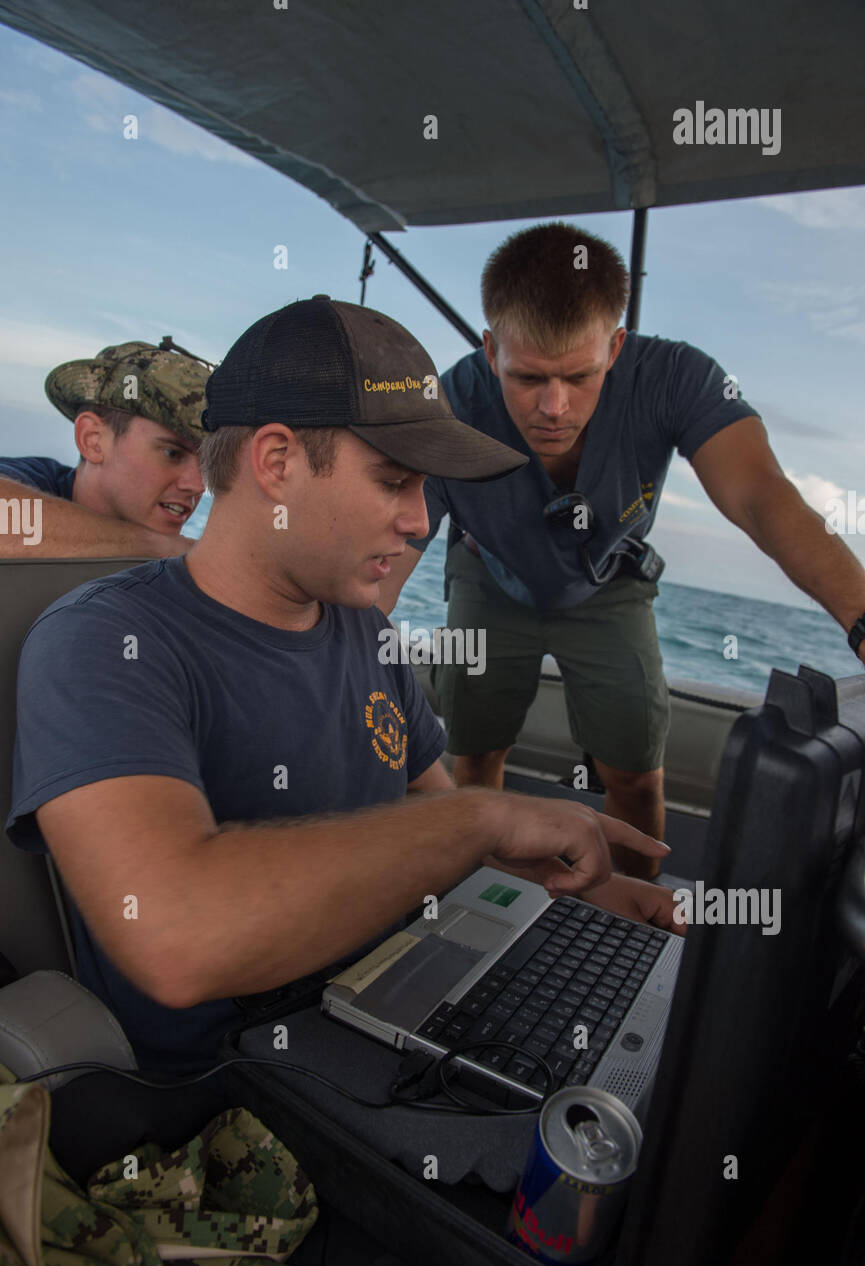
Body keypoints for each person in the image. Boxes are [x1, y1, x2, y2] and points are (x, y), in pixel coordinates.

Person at [6, 296, 674, 1076]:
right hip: (241, 1086)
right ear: (278, 462)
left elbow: (435, 815)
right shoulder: (104, 642)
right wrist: (477, 817)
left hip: (390, 1008)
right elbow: (171, 938)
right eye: (393, 481)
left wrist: (578, 893)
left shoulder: (362, 629)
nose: (420, 520)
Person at [378, 223, 865, 879]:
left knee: (635, 777)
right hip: (488, 578)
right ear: (490, 349)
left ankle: (635, 922)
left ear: (615, 346)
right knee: (475, 756)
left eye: (578, 377)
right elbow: (394, 543)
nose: (553, 407)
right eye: (525, 377)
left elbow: (759, 495)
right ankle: (472, 900)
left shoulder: (676, 378)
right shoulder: (447, 404)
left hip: (608, 584)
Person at [0, 339, 210, 558]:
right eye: (172, 453)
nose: (198, 485)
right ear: (93, 440)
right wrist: (159, 547)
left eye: (207, 463)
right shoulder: (31, 480)